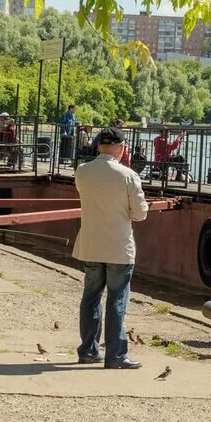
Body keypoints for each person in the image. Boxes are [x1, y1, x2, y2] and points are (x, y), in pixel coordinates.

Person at [73, 127, 148, 369]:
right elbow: (139, 214)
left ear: (98, 146)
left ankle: (88, 350)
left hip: (91, 244)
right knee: (117, 299)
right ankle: (115, 355)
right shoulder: (128, 175)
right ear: (121, 148)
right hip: (118, 247)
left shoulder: (82, 172)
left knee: (91, 298)